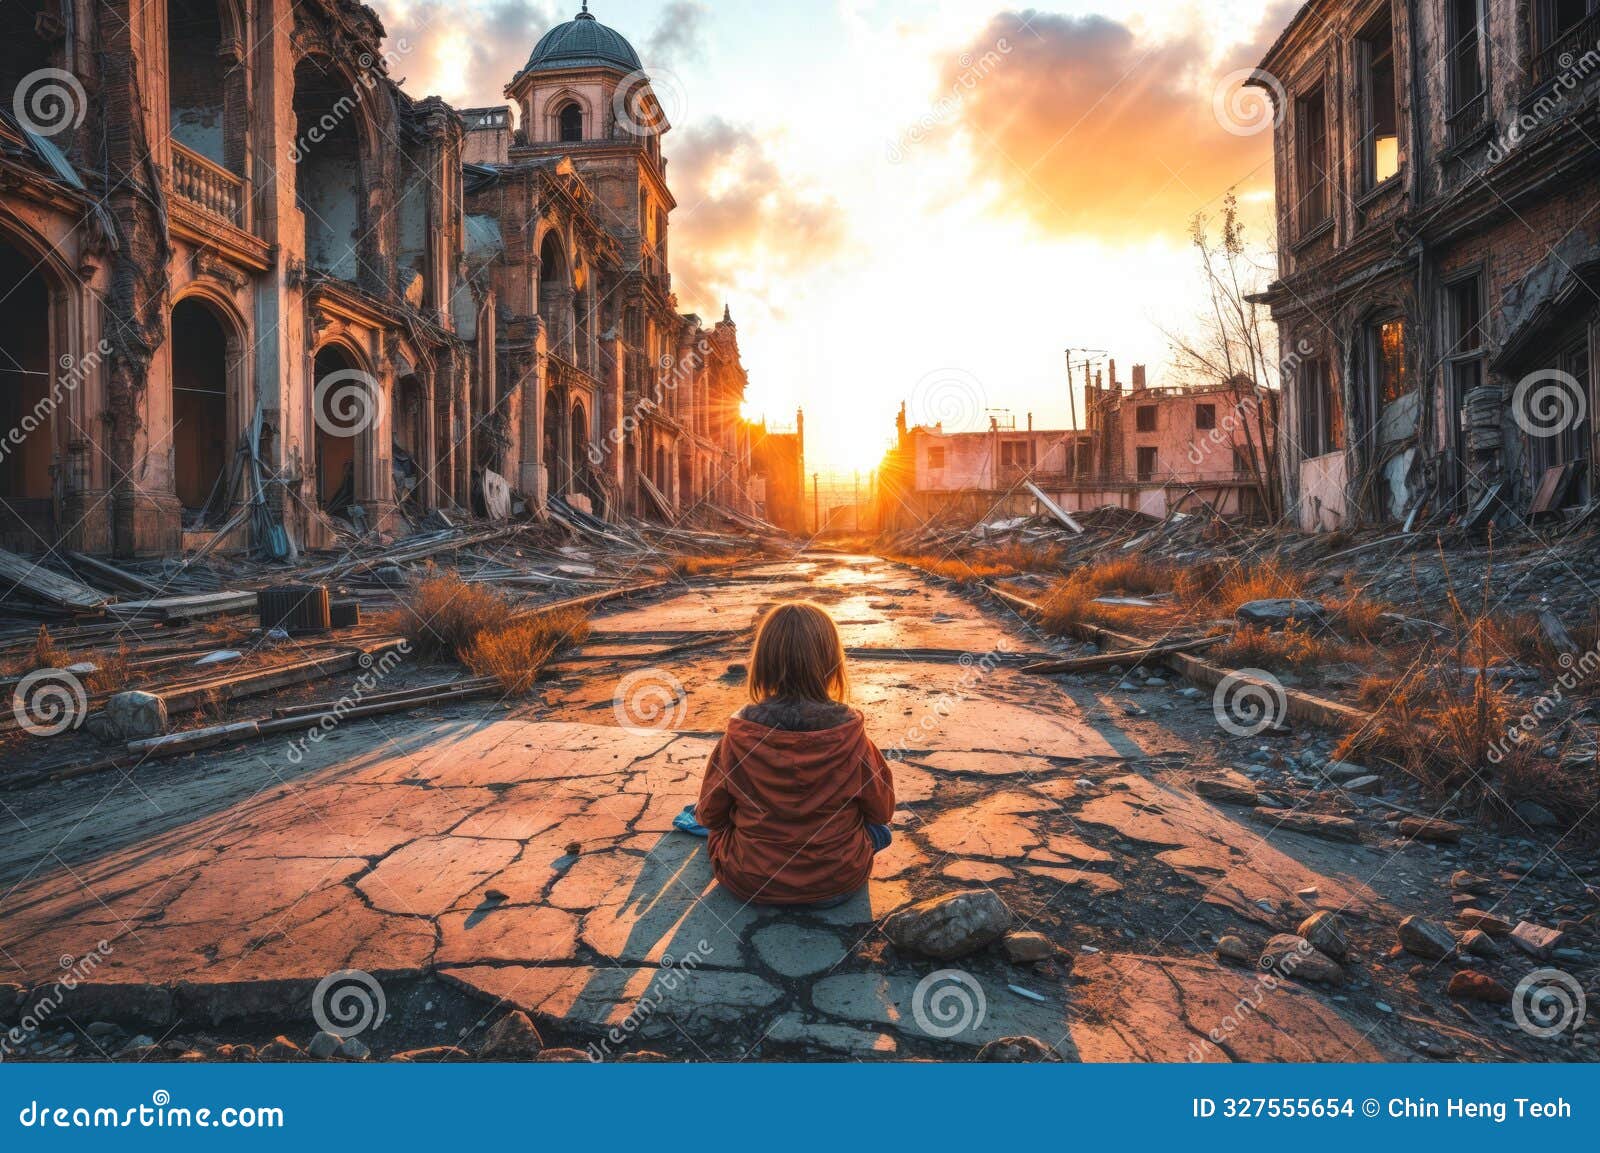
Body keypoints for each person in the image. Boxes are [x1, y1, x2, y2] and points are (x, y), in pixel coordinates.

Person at [674, 601, 895, 907]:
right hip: (838, 882)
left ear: (763, 661)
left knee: (717, 826)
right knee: (881, 832)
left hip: (750, 882)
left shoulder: (739, 734)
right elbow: (881, 813)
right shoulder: (852, 734)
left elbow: (711, 815)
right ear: (832, 660)